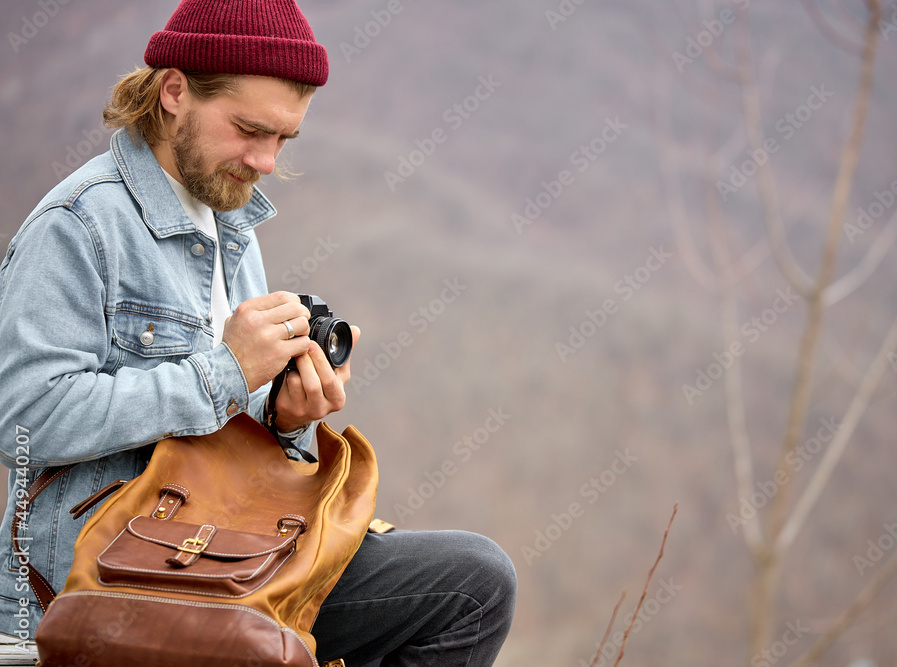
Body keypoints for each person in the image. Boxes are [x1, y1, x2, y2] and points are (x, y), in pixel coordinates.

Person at [0, 1, 516, 664]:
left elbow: (220, 423)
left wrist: (283, 418)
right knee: (470, 586)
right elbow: (21, 418)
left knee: (472, 583)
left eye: (283, 139)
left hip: (225, 554)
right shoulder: (78, 225)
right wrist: (226, 372)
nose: (266, 161)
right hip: (108, 581)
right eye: (249, 130)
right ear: (175, 92)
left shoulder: (230, 228)